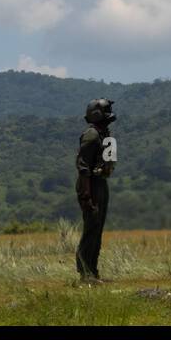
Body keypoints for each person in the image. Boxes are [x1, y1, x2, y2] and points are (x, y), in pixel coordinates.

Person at [75, 98, 117, 284]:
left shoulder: (104, 134)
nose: (109, 113)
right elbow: (83, 167)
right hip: (90, 184)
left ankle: (93, 272)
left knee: (97, 229)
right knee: (91, 228)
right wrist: (86, 196)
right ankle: (85, 274)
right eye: (106, 110)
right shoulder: (92, 135)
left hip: (100, 183)